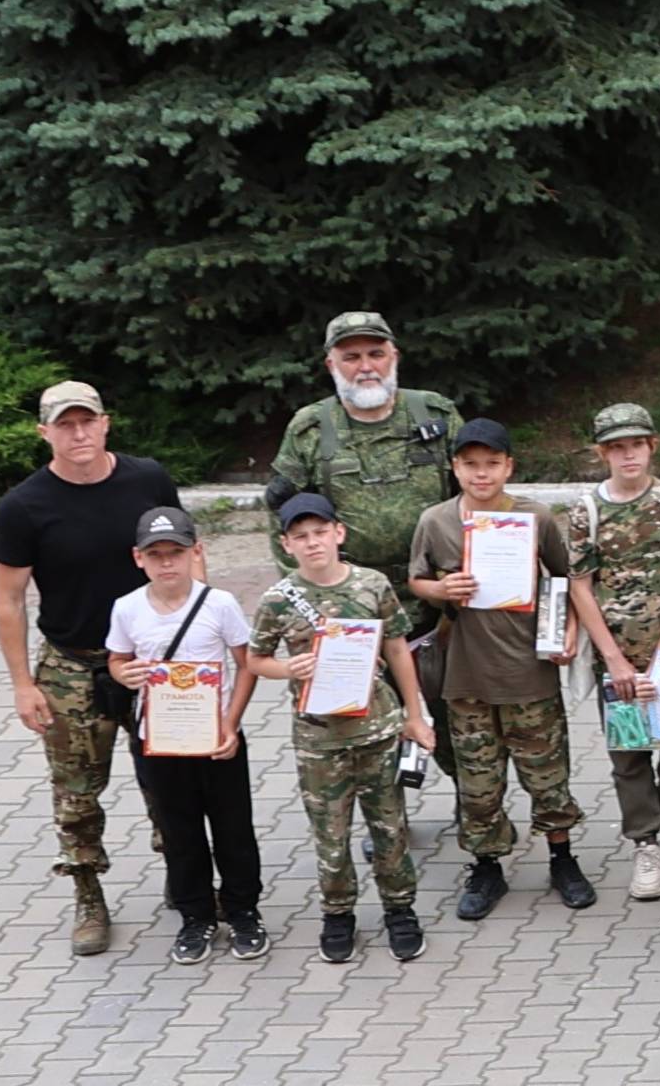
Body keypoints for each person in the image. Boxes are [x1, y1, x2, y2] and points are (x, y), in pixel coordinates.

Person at [0, 378, 183, 956]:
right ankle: (88, 894)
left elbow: (183, 557)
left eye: (87, 421)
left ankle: (186, 876)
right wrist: (24, 684)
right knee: (77, 793)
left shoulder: (147, 479)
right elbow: (7, 599)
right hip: (73, 667)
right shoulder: (24, 506)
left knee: (172, 775)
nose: (78, 433)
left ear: (105, 423)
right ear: (43, 432)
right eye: (64, 424)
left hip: (152, 661)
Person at [406, 417, 595, 921]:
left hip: (527, 671)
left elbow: (567, 577)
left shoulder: (536, 517)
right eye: (470, 464)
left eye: (492, 464)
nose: (481, 474)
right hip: (464, 675)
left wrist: (569, 629)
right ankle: (486, 863)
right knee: (477, 781)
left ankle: (562, 857)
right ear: (455, 467)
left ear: (509, 466)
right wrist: (442, 591)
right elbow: (416, 580)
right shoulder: (436, 520)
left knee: (547, 773)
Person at [265, 309, 461, 791]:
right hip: (355, 606)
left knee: (457, 716)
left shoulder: (434, 414)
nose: (365, 365)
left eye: (376, 353)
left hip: (438, 600)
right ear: (331, 364)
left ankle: (476, 808)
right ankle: (387, 818)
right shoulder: (311, 429)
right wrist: (309, 595)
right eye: (351, 357)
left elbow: (474, 495)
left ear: (394, 355)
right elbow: (281, 513)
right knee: (371, 720)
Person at [254, 491, 436, 963]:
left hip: (377, 730)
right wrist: (288, 670)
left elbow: (398, 648)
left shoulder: (371, 585)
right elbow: (254, 660)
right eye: (301, 536)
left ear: (339, 533)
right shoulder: (278, 600)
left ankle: (400, 910)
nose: (313, 543)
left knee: (389, 827)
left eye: (320, 532)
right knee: (330, 835)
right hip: (319, 739)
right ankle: (338, 913)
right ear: (286, 544)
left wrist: (415, 715)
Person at [104, 507, 260, 962]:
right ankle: (196, 916)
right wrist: (124, 674)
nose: (167, 563)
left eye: (176, 552)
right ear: (138, 558)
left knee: (233, 830)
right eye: (156, 555)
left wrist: (231, 724)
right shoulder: (127, 608)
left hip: (217, 739)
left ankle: (244, 910)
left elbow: (247, 664)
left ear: (197, 552)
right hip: (161, 741)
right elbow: (117, 661)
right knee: (180, 833)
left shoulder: (220, 604)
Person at [575, 404, 660, 904]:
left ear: (652, 446)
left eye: (637, 444)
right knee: (629, 755)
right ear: (603, 453)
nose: (628, 455)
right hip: (618, 662)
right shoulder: (587, 509)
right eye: (617, 447)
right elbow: (581, 588)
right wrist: (615, 659)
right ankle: (645, 845)